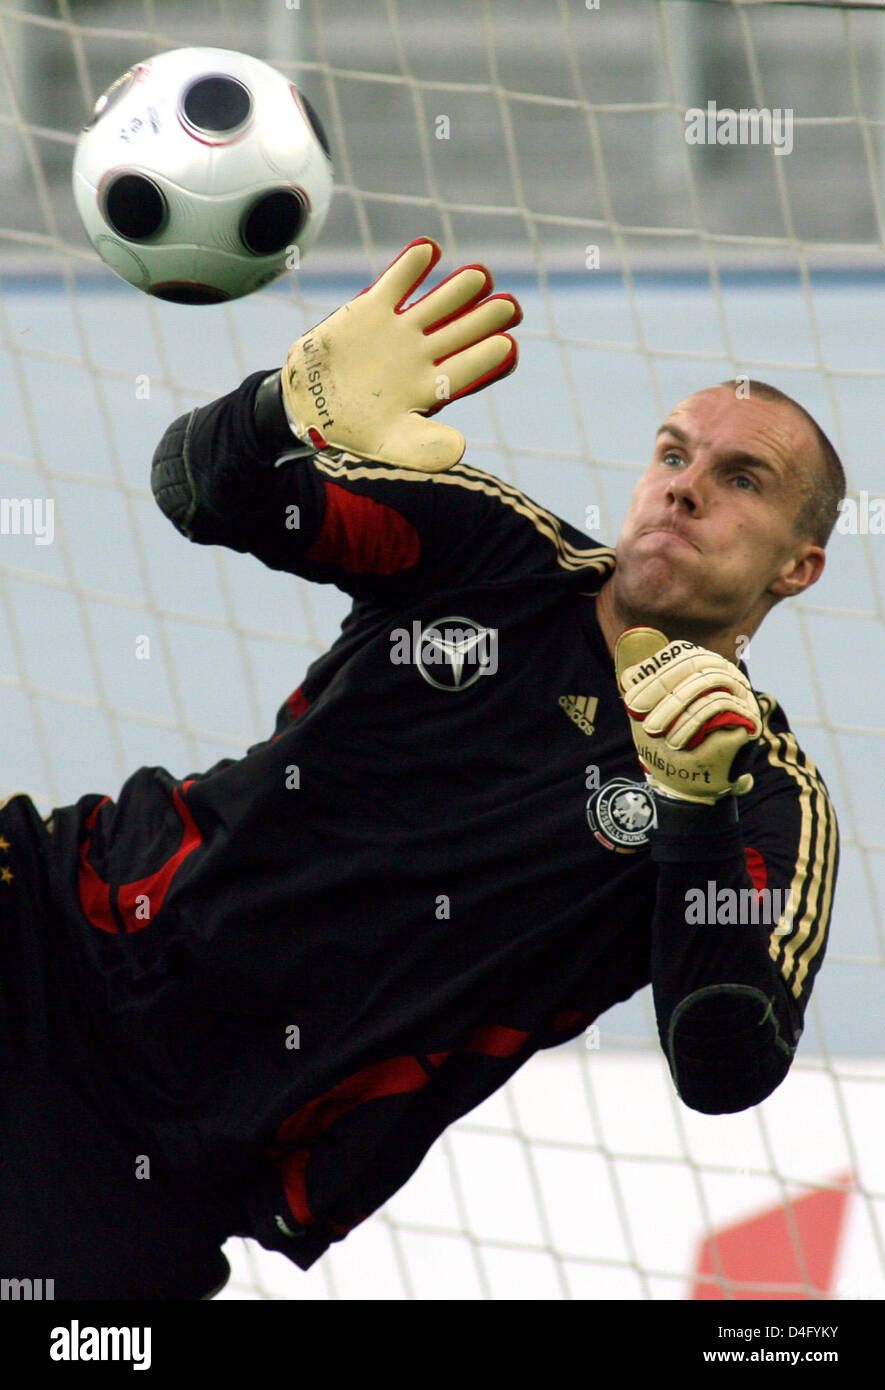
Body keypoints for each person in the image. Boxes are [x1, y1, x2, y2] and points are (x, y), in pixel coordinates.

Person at [0, 240, 839, 1299]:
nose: (683, 492)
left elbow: (726, 1062)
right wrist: (277, 407)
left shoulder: (766, 797)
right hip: (53, 925)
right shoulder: (490, 548)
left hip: (166, 1160)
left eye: (741, 480)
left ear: (798, 566)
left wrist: (691, 810)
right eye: (671, 455)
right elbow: (203, 491)